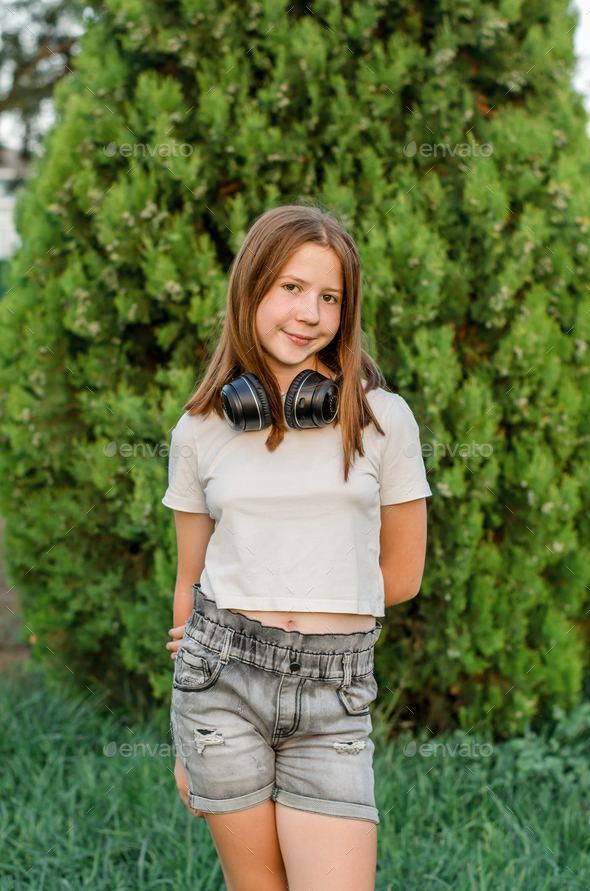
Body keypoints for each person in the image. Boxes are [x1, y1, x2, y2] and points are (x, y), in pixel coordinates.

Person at [162, 203, 432, 891]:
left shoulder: (382, 420)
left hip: (332, 691)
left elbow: (400, 574)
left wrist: (308, 584)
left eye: (330, 296)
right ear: (250, 288)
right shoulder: (198, 430)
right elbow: (189, 582)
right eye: (290, 287)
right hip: (218, 683)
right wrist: (185, 724)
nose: (310, 312)